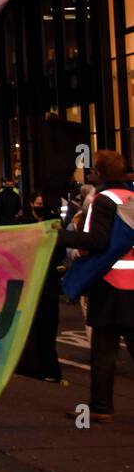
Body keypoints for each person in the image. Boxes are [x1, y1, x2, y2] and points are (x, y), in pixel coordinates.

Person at [57, 150, 134, 423]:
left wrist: (61, 236)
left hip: (110, 284)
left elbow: (98, 241)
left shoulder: (104, 200)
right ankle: (100, 406)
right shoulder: (131, 196)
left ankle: (101, 407)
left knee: (104, 350)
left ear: (99, 174)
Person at [15, 190, 65, 382]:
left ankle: (48, 367)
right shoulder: (23, 222)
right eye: (38, 202)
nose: (40, 205)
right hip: (30, 279)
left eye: (43, 202)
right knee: (30, 324)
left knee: (47, 323)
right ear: (30, 203)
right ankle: (31, 365)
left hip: (48, 280)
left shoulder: (54, 222)